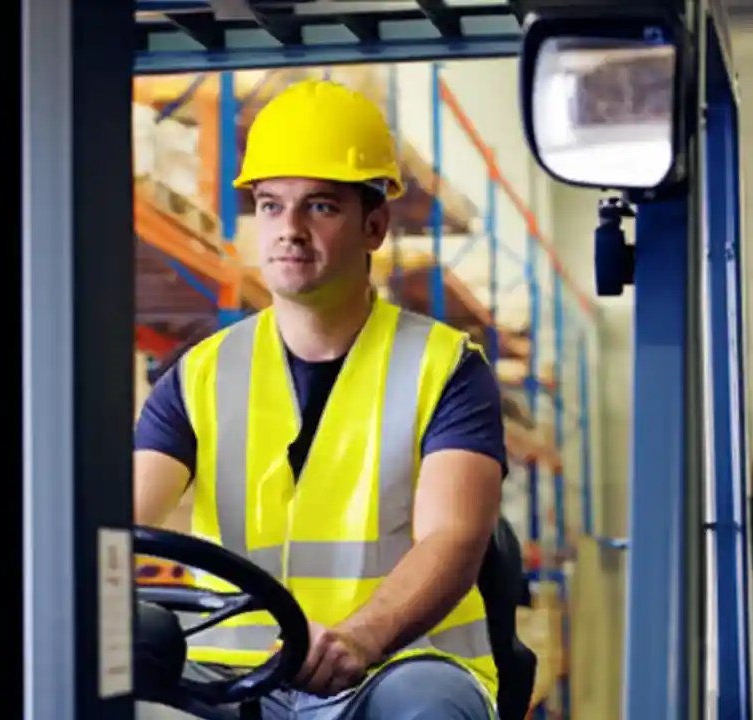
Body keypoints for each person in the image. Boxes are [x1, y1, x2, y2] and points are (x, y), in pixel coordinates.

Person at [133, 79, 507, 719]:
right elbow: (121, 521)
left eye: (321, 208)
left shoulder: (446, 368)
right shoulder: (198, 373)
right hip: (231, 675)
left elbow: (453, 537)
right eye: (271, 206)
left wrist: (362, 636)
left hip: (397, 664)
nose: (291, 230)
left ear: (375, 226)